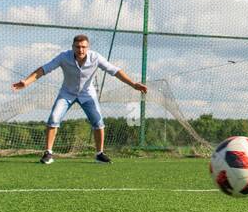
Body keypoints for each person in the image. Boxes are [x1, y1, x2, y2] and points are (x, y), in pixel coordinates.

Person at [12, 33, 147, 164]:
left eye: (83, 47)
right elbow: (44, 69)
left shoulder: (95, 57)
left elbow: (115, 71)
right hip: (66, 93)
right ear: (72, 47)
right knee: (53, 118)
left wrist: (133, 84)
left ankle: (100, 154)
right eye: (77, 47)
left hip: (88, 94)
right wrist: (26, 82)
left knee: (98, 122)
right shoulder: (64, 57)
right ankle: (48, 153)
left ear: (87, 47)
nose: (80, 49)